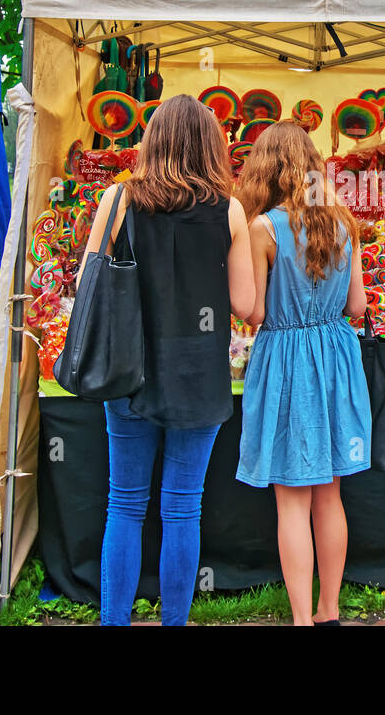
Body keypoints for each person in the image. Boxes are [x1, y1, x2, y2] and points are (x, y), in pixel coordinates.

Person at [79, 94, 255, 626]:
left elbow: (89, 281)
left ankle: (114, 623)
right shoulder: (229, 209)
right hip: (199, 378)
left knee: (125, 505)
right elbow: (246, 305)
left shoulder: (117, 201)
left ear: (151, 143)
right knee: (183, 507)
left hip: (127, 371)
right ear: (212, 147)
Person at [234, 121, 372, 626]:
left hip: (287, 361)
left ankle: (301, 621)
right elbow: (357, 307)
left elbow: (255, 315)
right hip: (336, 358)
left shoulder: (263, 228)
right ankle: (330, 611)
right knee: (330, 495)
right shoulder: (343, 221)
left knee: (292, 501)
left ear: (265, 169)